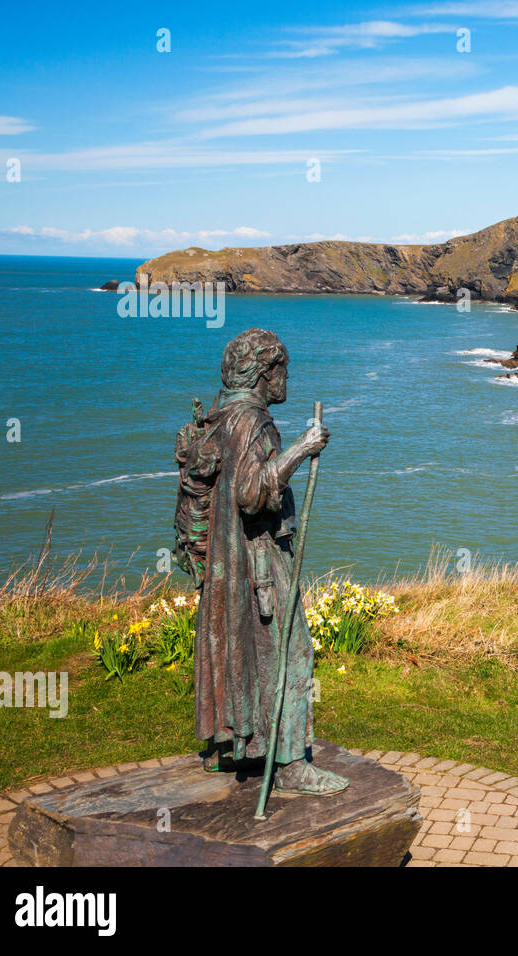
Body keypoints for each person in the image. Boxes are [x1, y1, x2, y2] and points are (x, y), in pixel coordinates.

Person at [190, 328, 347, 795]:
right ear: (264, 372)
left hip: (227, 560)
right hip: (257, 559)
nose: (286, 380)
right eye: (283, 370)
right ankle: (292, 764)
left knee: (236, 650)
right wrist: (304, 447)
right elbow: (251, 493)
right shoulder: (254, 422)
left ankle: (234, 747)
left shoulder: (221, 415)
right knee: (293, 652)